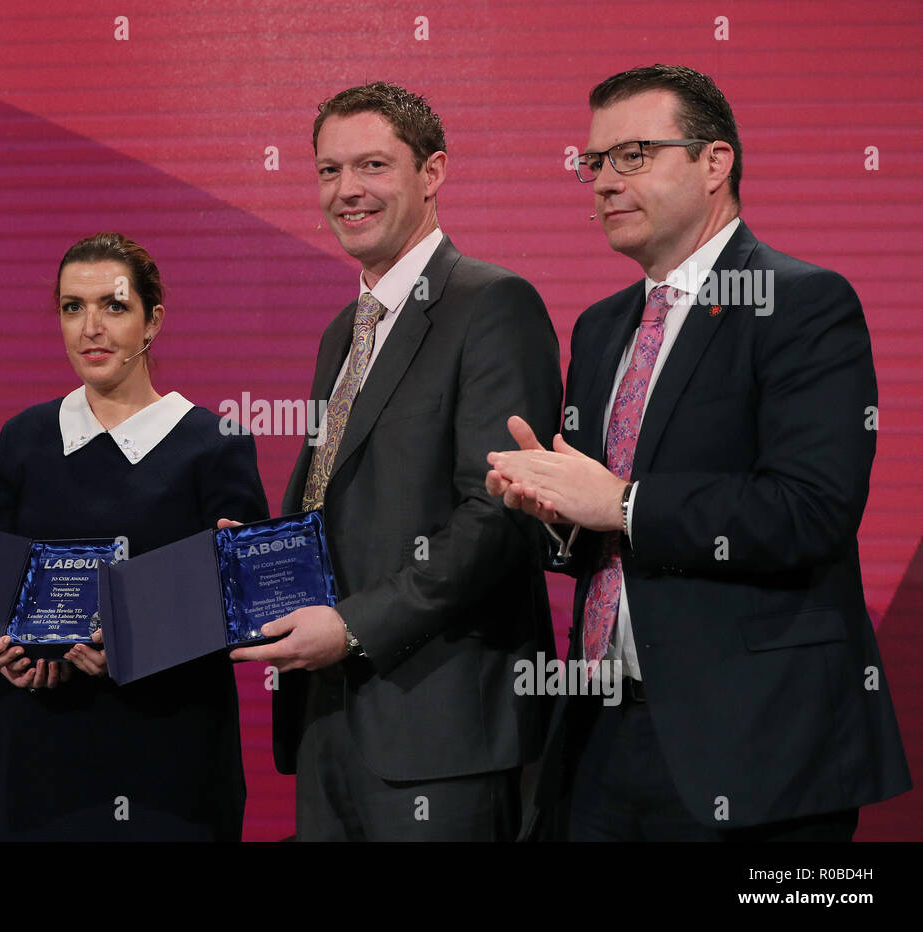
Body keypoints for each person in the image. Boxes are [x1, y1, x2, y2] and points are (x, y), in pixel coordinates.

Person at [487, 64, 911, 841]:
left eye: (635, 154)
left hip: (751, 748)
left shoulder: (802, 302)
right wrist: (551, 509)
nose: (606, 182)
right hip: (601, 739)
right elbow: (592, 526)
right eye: (595, 163)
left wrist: (618, 502)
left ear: (715, 162)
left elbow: (811, 510)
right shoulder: (600, 327)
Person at [229, 82, 562, 841]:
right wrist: (263, 557)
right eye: (328, 171)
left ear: (433, 172)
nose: (347, 191)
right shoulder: (345, 328)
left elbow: (498, 514)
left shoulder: (494, 304)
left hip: (441, 728)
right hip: (329, 719)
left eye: (372, 166)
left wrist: (349, 627)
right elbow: (349, 504)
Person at [0, 232, 268, 841]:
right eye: (71, 307)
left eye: (113, 306)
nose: (90, 329)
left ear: (152, 320)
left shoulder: (215, 444)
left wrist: (143, 643)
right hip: (38, 750)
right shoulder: (22, 439)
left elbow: (248, 604)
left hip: (172, 751)